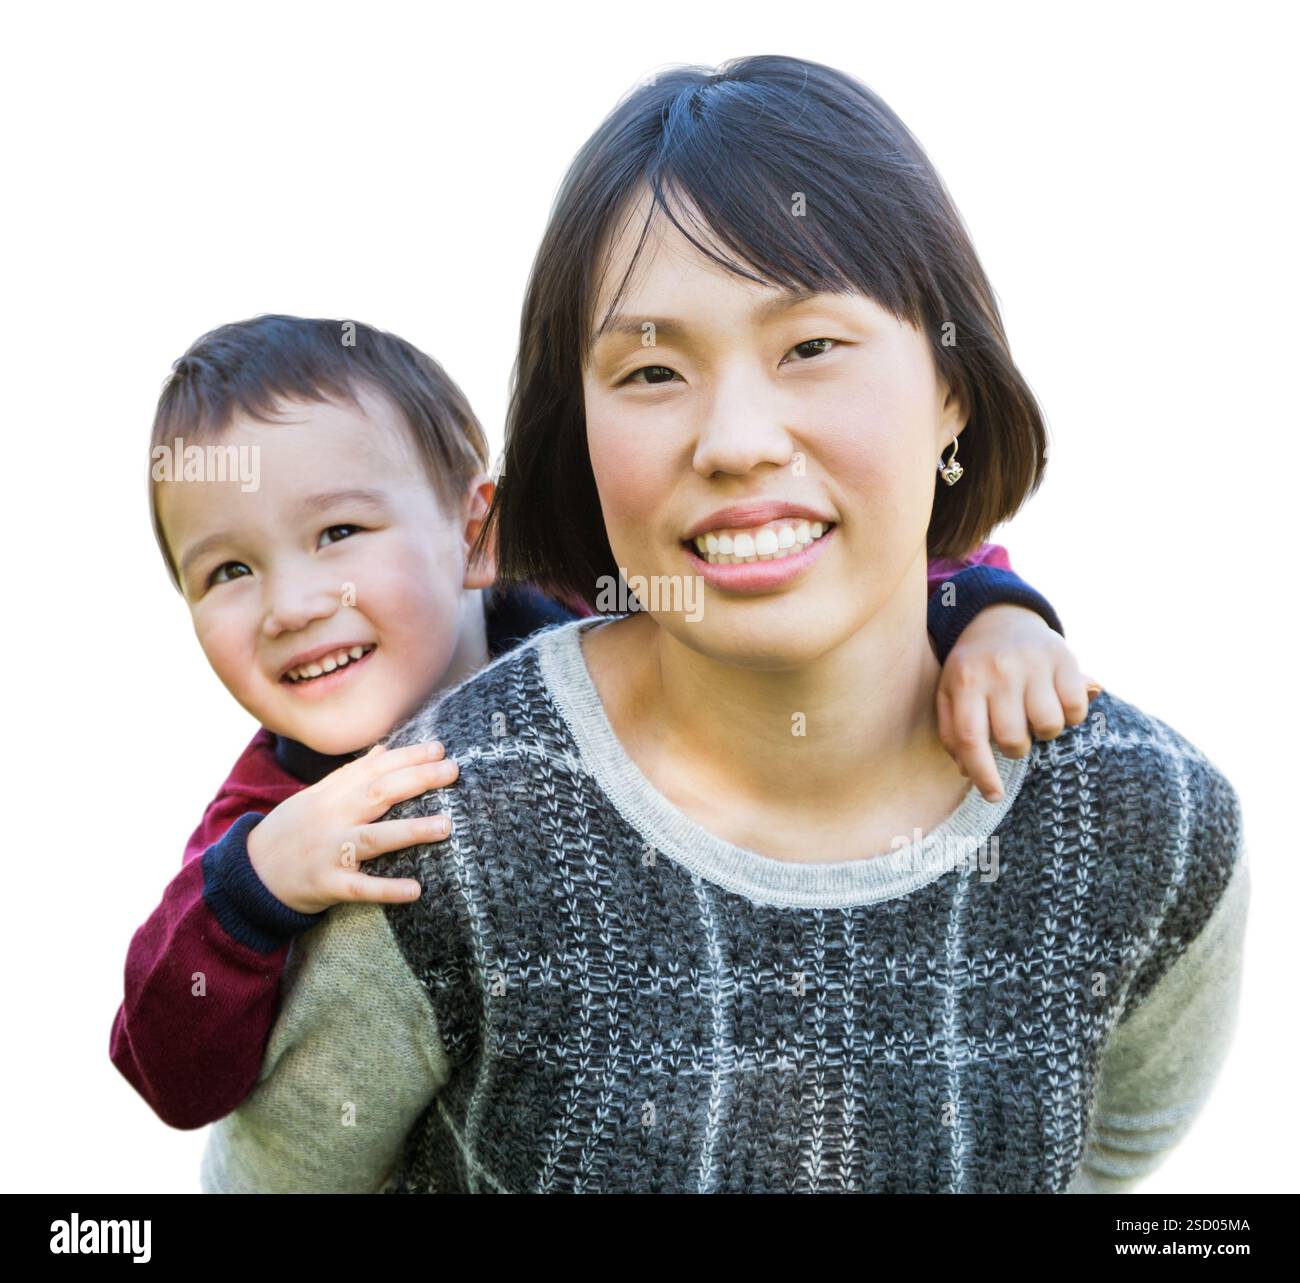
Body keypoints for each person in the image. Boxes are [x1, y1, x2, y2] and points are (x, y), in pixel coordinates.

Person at [201, 57, 1248, 1194]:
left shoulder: (1146, 825)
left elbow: (1115, 1156)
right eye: (651, 369)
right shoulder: (439, 830)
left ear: (951, 387)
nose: (737, 438)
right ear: (578, 431)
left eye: (809, 347)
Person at [112, 314, 1069, 1130]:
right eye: (228, 571)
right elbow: (167, 1069)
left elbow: (833, 587)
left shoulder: (591, 617)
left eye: (338, 534)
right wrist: (255, 887)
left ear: (475, 534)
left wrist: (993, 613)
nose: (291, 602)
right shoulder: (267, 810)